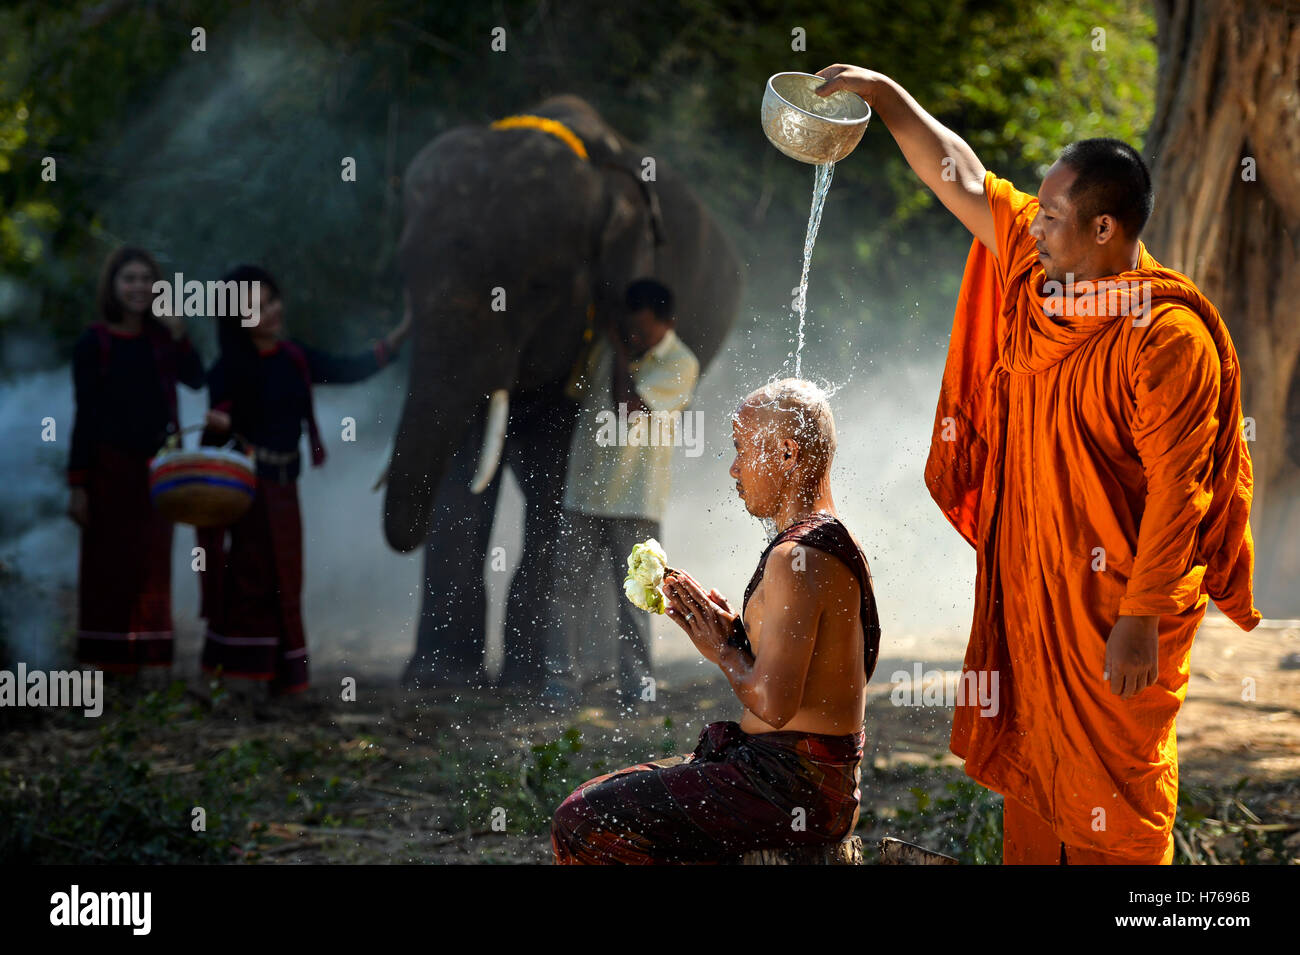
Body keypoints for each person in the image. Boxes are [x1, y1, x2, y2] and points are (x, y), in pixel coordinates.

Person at [811, 64, 1260, 864]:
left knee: (1116, 802)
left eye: (1052, 215)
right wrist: (884, 95)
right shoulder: (1039, 281)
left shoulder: (1164, 339)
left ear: (1103, 232)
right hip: (1031, 598)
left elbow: (1178, 492)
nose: (1034, 224)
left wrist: (1140, 617)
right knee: (1033, 782)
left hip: (1109, 613)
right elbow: (964, 178)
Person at [551, 380, 882, 864]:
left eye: (742, 449)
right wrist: (732, 634)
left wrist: (722, 651)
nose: (733, 469)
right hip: (795, 782)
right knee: (611, 792)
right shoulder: (827, 540)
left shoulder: (799, 556)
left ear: (787, 455)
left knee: (582, 819)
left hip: (790, 788)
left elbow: (775, 704)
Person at [199, 265, 410, 696]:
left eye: (272, 300)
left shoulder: (294, 358)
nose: (270, 311)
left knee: (285, 577)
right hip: (243, 494)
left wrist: (403, 332)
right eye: (255, 308)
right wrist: (218, 424)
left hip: (283, 488)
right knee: (247, 578)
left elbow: (350, 369)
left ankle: (281, 678)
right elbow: (212, 442)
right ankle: (236, 678)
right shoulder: (228, 369)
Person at [548, 279, 699, 706]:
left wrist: (616, 350)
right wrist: (609, 348)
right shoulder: (606, 351)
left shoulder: (679, 363)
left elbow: (625, 405)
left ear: (668, 324)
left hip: (637, 498)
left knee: (639, 596)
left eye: (644, 331)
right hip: (584, 494)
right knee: (566, 590)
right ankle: (561, 680)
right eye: (631, 329)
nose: (637, 338)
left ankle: (638, 685)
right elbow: (574, 393)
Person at [67, 246, 205, 673]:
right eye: (129, 279)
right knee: (106, 567)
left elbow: (197, 380)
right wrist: (77, 485)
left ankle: (150, 662)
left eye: (146, 279)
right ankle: (105, 666)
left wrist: (181, 335)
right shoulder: (94, 343)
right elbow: (85, 416)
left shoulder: (163, 340)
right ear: (113, 286)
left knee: (151, 566)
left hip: (156, 471)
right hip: (108, 472)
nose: (138, 287)